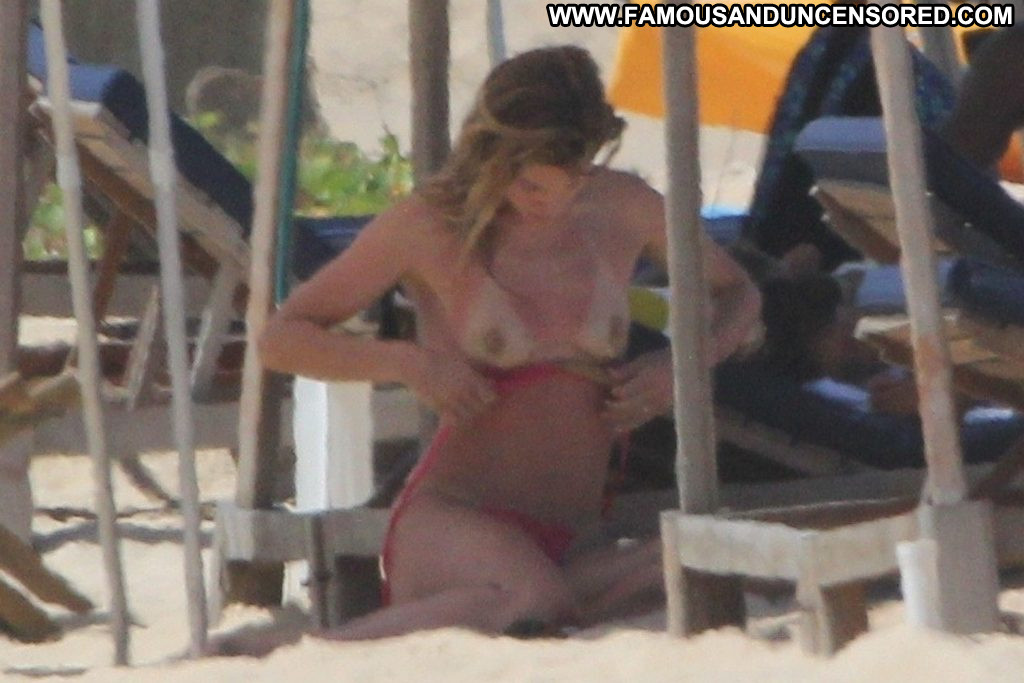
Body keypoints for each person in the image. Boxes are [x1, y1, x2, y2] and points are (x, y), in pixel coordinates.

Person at [259, 46, 760, 639]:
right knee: (533, 600)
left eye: (574, 180)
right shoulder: (429, 225)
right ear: (494, 154)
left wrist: (681, 366)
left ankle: (328, 636)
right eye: (531, 185)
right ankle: (313, 650)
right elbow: (281, 338)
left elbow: (738, 293)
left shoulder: (623, 205)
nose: (553, 202)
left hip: (571, 534)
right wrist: (408, 363)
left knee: (714, 575)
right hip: (456, 521)